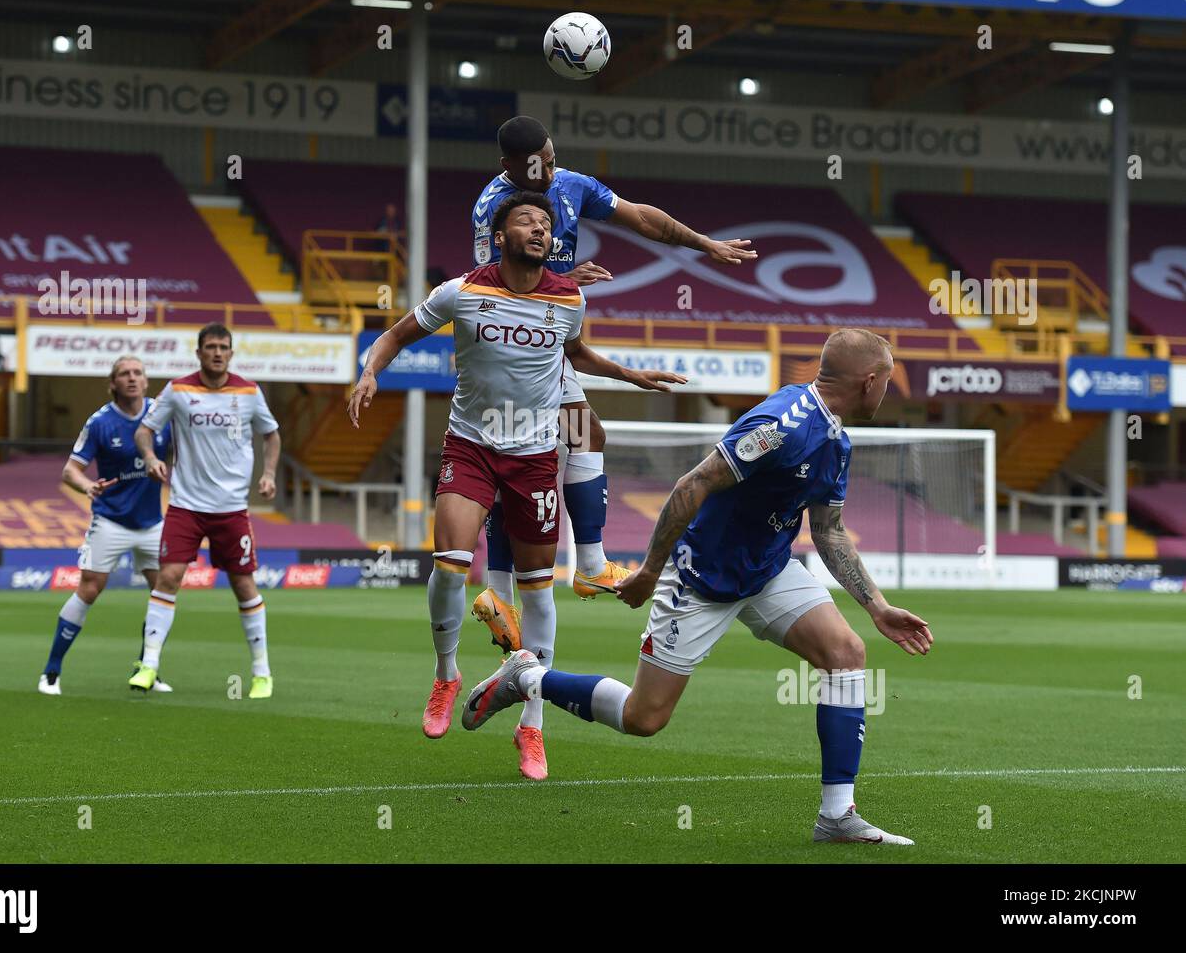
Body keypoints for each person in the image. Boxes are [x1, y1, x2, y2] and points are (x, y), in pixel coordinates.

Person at [462, 328, 933, 844]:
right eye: (887, 381)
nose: (887, 391)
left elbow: (828, 530)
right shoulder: (780, 426)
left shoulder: (835, 441)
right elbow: (694, 484)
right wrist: (648, 570)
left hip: (769, 569)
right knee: (643, 718)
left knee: (846, 653)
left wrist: (877, 606)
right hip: (701, 578)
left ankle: (836, 816)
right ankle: (527, 677)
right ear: (869, 382)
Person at [350, 192, 684, 780]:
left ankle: (531, 722)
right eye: (526, 220)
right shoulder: (461, 293)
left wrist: (632, 375)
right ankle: (447, 674)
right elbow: (395, 335)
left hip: (532, 458)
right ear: (498, 236)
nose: (539, 227)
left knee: (538, 592)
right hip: (471, 446)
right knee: (450, 562)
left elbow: (574, 354)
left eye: (546, 223)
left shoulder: (569, 298)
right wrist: (368, 373)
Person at [469, 114, 758, 652]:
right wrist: (560, 280)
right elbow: (492, 290)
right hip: (508, 350)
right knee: (523, 457)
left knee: (581, 437)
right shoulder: (492, 208)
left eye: (553, 160)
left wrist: (704, 244)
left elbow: (643, 219)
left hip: (549, 348)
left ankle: (548, 578)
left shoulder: (572, 186)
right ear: (508, 167)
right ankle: (523, 583)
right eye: (539, 166)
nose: (550, 172)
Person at [130, 323, 281, 699]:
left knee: (243, 583)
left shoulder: (248, 392)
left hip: (231, 508)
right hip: (186, 504)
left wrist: (269, 474)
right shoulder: (179, 389)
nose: (217, 352)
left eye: (223, 347)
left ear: (231, 353)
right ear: (198, 353)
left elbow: (271, 434)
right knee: (168, 577)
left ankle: (262, 673)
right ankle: (148, 665)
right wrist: (149, 458)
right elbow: (145, 430)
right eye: (210, 347)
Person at [38, 356, 172, 696]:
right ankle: (51, 672)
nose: (132, 378)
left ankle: (148, 668)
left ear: (146, 381)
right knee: (90, 590)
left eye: (137, 373)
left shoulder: (162, 414)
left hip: (152, 522)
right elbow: (70, 470)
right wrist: (87, 486)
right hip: (110, 520)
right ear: (112, 383)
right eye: (124, 374)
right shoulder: (100, 423)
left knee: (164, 592)